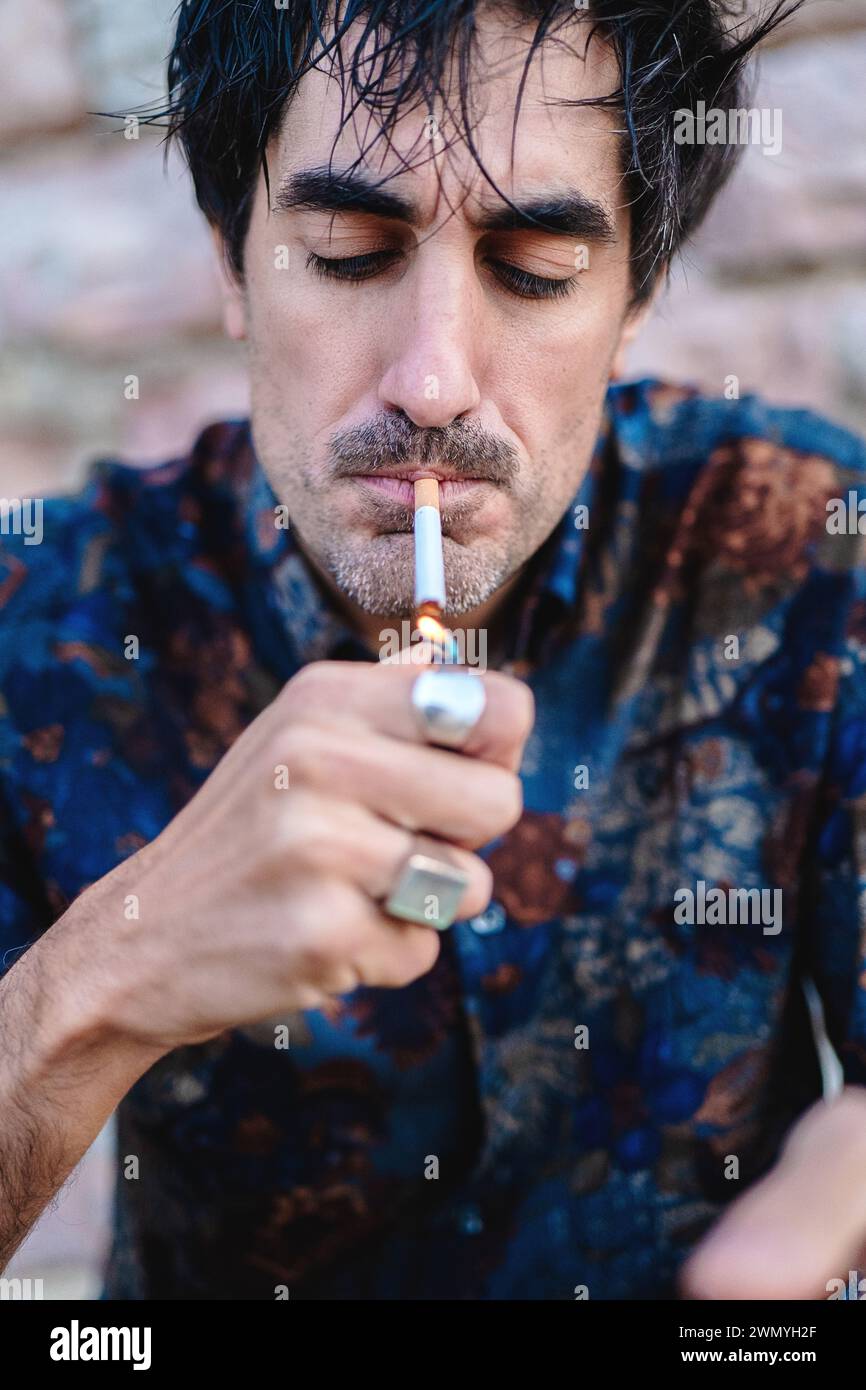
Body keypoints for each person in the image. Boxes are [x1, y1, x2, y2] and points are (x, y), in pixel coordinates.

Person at [2, 0, 865, 1302]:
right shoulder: (46, 616)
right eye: (349, 251)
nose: (432, 380)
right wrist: (96, 983)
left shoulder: (805, 548)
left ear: (634, 296)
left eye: (533, 269)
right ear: (233, 264)